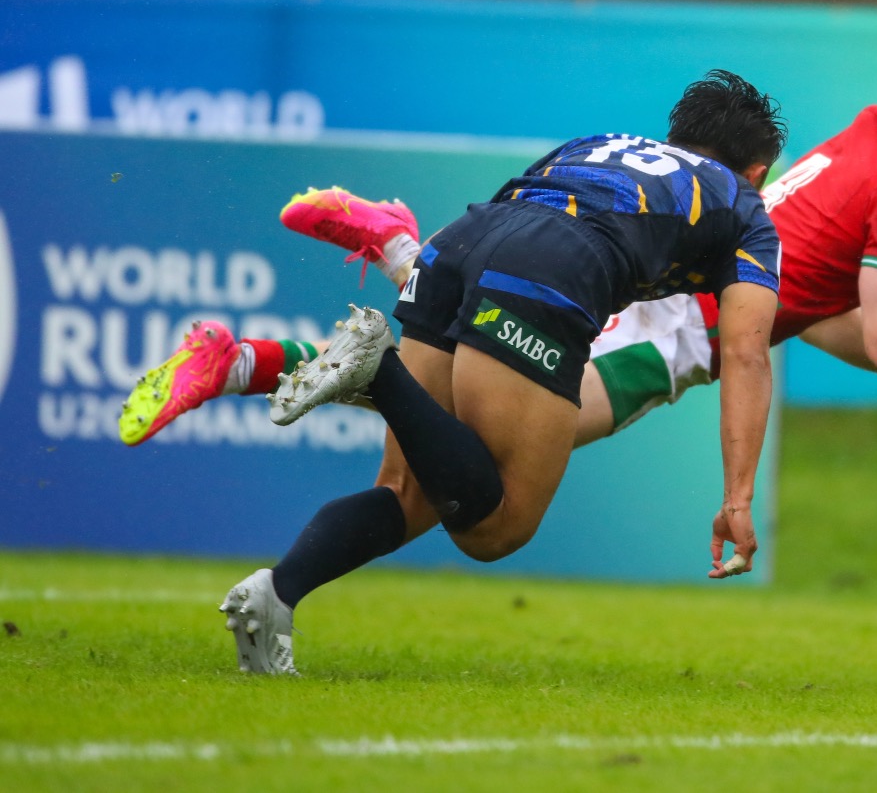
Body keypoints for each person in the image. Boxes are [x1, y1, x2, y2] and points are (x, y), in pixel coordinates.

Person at [120, 31, 877, 448]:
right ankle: (399, 251)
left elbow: (815, 311)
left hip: (641, 282)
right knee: (484, 456)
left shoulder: (871, 137)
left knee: (451, 394)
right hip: (668, 334)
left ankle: (244, 358)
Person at [212, 70, 788, 674]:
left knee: (411, 493)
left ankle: (275, 596)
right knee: (498, 526)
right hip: (552, 267)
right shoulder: (745, 206)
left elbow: (507, 212)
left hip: (457, 245)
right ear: (757, 173)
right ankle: (375, 371)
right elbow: (747, 351)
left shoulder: (597, 144)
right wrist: (738, 497)